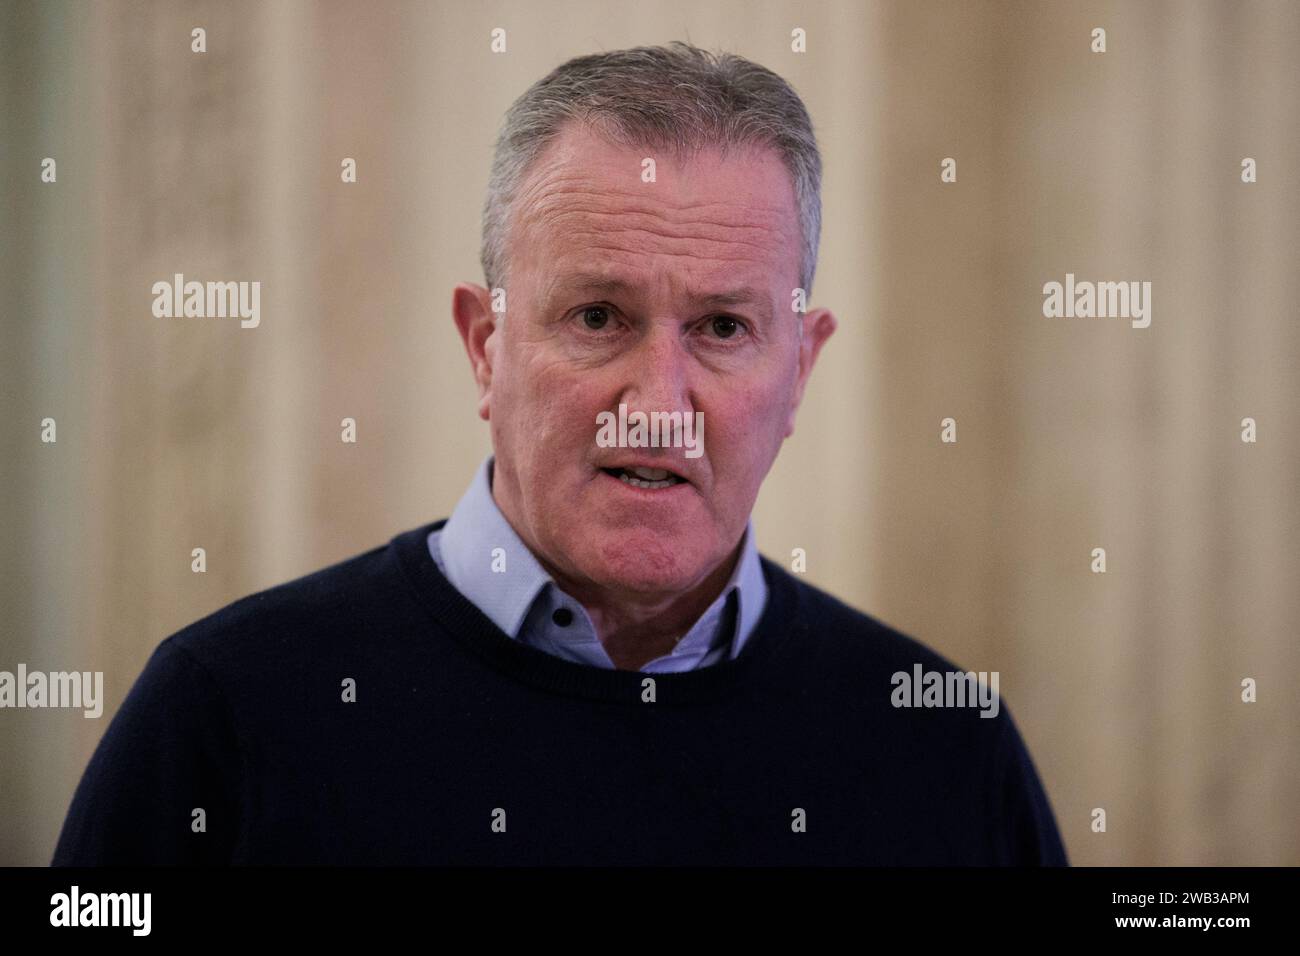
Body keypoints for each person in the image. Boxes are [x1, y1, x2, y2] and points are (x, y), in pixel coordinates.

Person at [53, 42, 1067, 865]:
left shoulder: (941, 742)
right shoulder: (224, 713)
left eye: (721, 327)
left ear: (799, 368)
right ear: (485, 346)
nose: (658, 405)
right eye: (596, 315)